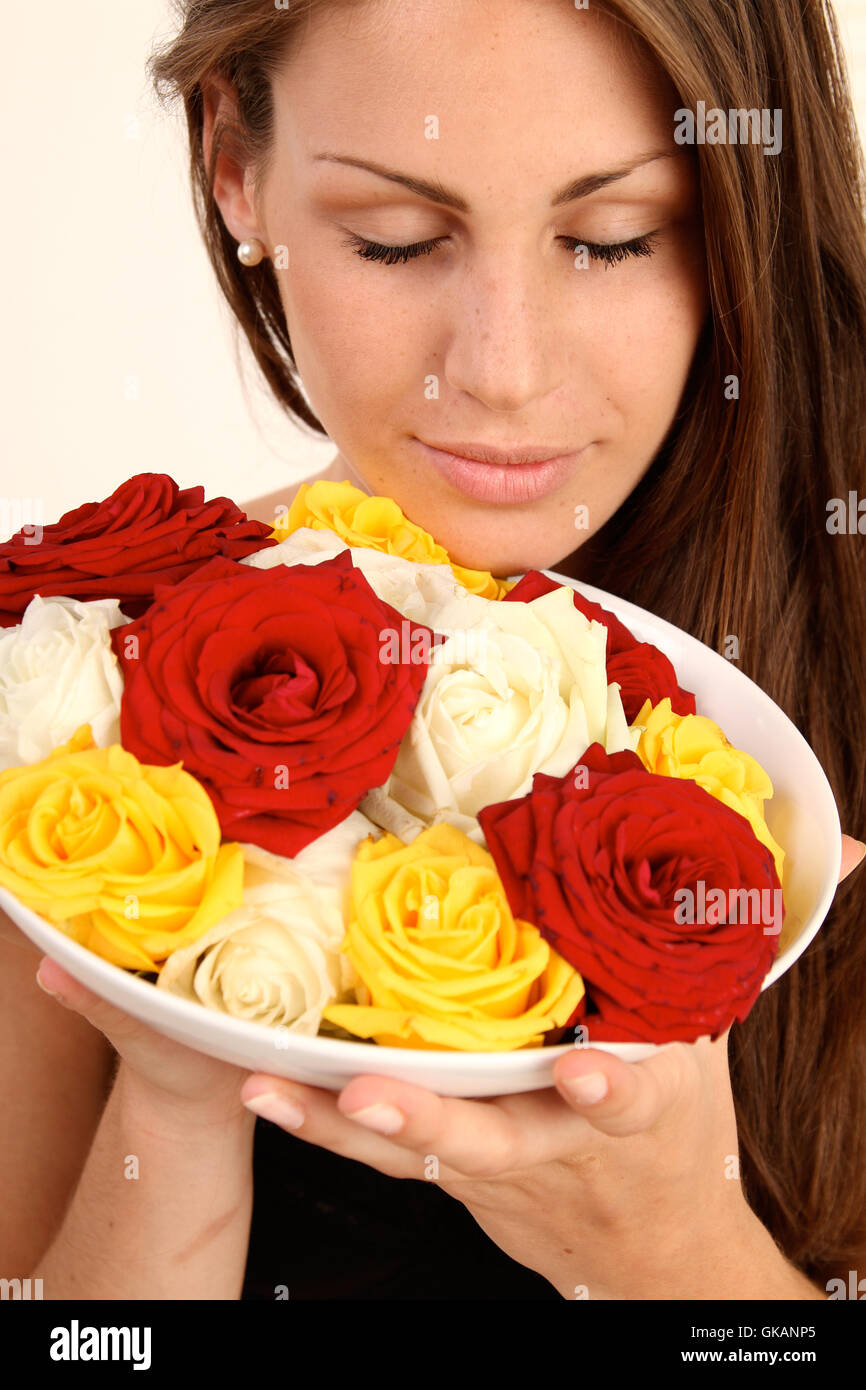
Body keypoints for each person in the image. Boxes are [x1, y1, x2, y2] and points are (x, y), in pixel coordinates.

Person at [1, 0, 864, 1300]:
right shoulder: (88, 687)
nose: (501, 371)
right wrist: (175, 1098)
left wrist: (670, 1256)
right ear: (235, 164)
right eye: (395, 243)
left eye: (609, 238)